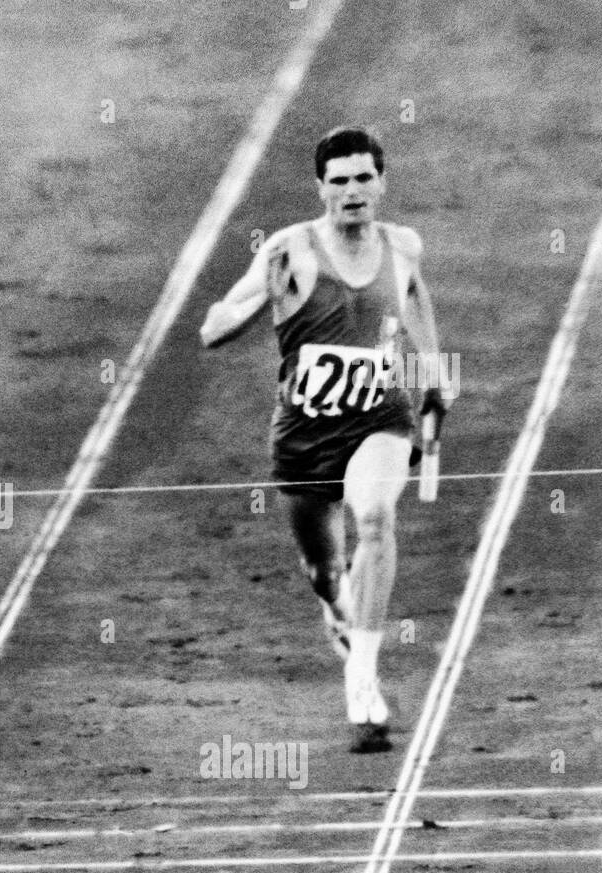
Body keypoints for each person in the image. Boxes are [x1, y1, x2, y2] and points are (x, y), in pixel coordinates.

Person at [200, 127, 452, 752]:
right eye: (338, 182)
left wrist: (431, 371)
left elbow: (415, 299)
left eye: (363, 178)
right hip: (305, 436)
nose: (352, 192)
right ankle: (339, 611)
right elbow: (212, 328)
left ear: (381, 182)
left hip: (379, 418)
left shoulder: (404, 246)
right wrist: (265, 303)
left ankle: (362, 681)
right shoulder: (290, 250)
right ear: (320, 189)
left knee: (374, 518)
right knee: (323, 571)